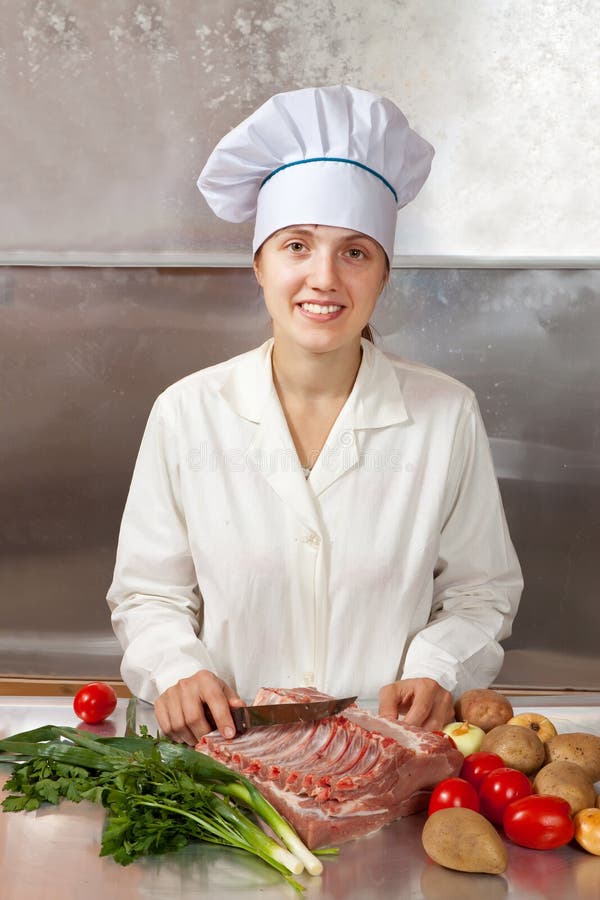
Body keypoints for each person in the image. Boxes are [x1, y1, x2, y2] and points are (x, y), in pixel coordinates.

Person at [107, 85, 522, 746]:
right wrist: (176, 668)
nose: (324, 277)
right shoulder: (187, 413)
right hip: (231, 755)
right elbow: (149, 595)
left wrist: (440, 668)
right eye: (296, 246)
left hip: (385, 757)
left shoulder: (446, 414)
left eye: (355, 252)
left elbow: (480, 592)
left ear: (383, 275)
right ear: (259, 266)